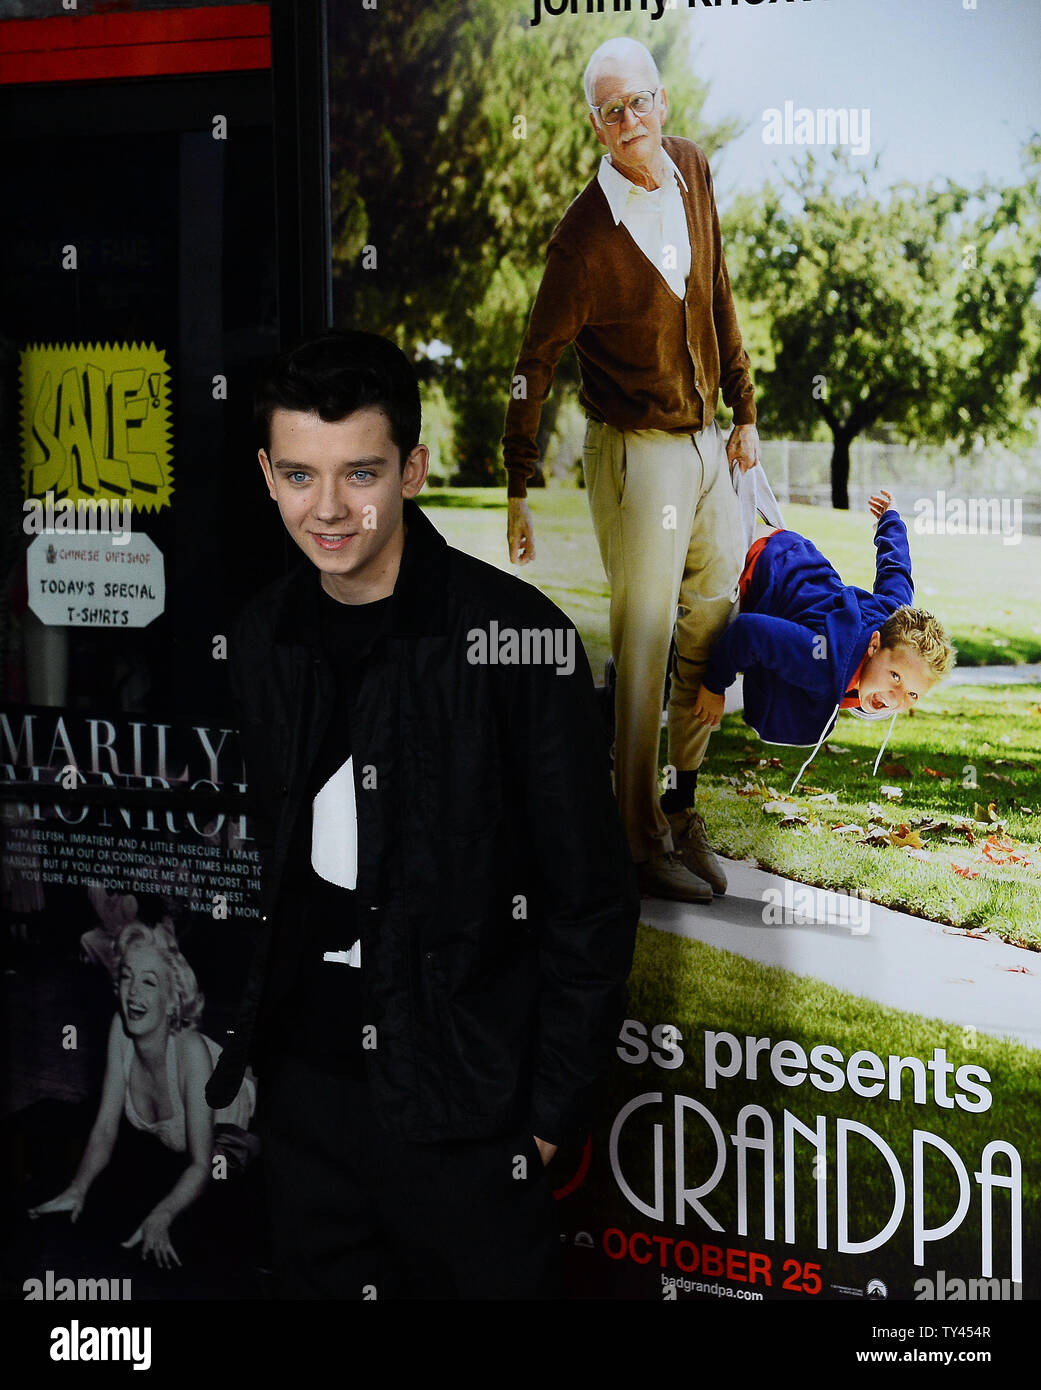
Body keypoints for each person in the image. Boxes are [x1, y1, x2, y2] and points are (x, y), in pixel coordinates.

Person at [204, 328, 638, 1300]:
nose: (328, 508)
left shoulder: (519, 640)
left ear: (413, 468)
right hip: (309, 1107)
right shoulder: (261, 637)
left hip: (471, 1115)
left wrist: (545, 1117)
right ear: (268, 476)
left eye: (360, 473)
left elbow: (591, 903)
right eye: (300, 476)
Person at [503, 35, 762, 906]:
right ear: (594, 122)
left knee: (714, 621)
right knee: (645, 644)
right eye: (609, 111)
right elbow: (532, 360)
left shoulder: (690, 168)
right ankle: (632, 843)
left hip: (703, 442)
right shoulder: (581, 239)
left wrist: (745, 409)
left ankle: (679, 804)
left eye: (638, 102)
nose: (628, 122)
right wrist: (516, 478)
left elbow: (717, 285)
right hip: (634, 452)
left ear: (660, 101)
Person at [29, 922, 255, 1269]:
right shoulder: (120, 1029)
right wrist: (78, 1187)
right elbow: (105, 1129)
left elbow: (201, 1163)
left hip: (234, 1130)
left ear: (171, 1001)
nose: (133, 993)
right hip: (168, 1150)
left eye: (149, 982)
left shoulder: (190, 1051)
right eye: (126, 977)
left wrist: (162, 1215)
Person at [696, 491, 956, 790]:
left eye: (912, 695)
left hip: (796, 554)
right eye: (895, 677)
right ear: (873, 645)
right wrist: (714, 687)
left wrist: (890, 519)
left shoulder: (892, 620)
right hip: (752, 556)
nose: (896, 698)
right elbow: (749, 633)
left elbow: (897, 571)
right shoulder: (822, 657)